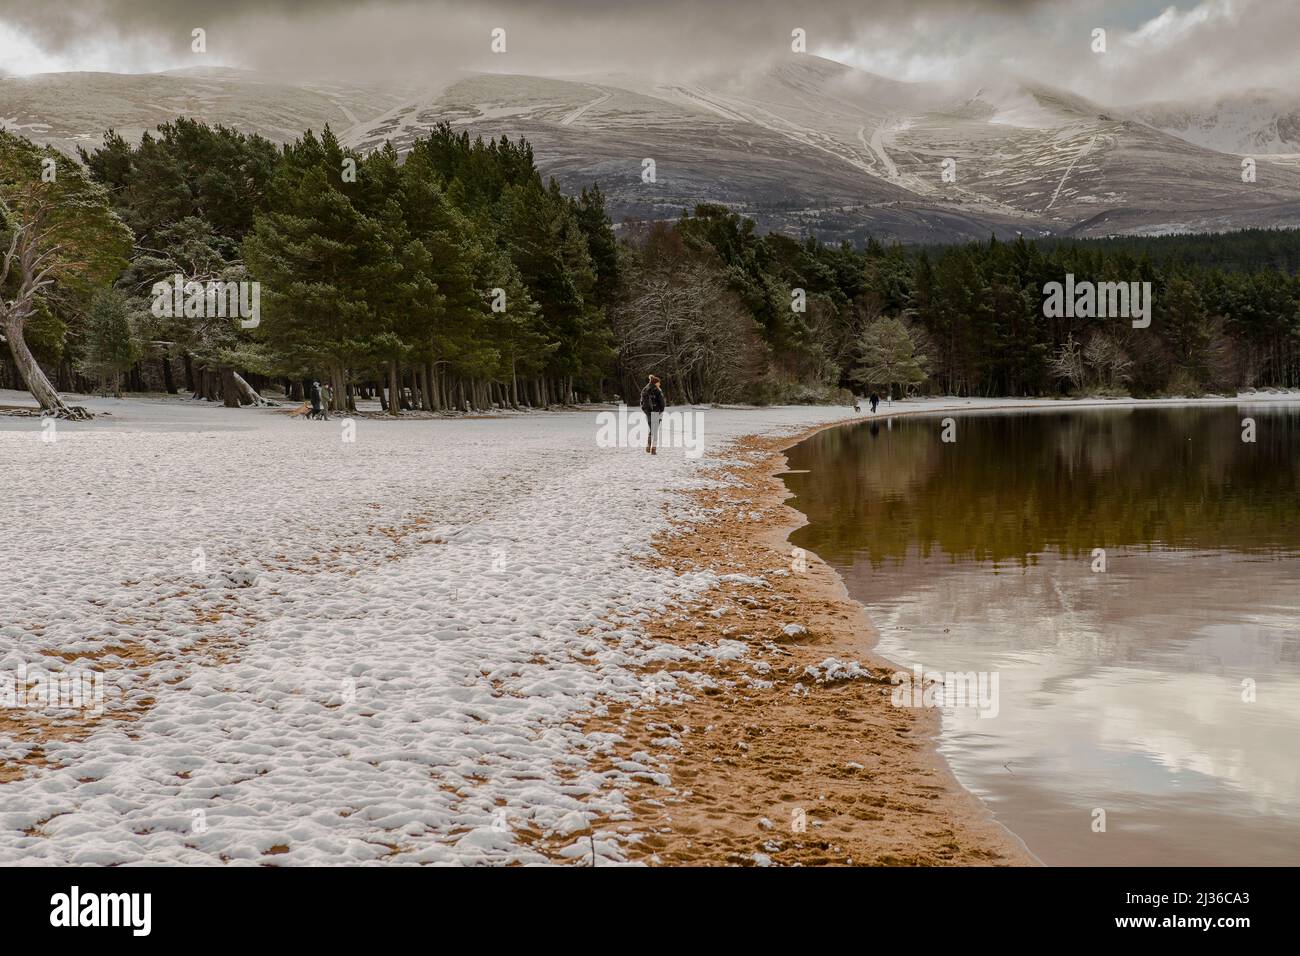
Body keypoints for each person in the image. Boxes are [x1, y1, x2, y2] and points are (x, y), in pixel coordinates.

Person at [639, 374, 666, 454]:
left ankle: (648, 445)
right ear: (655, 382)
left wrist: (645, 410)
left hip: (648, 412)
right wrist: (661, 410)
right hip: (656, 411)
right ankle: (653, 449)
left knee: (651, 428)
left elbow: (641, 401)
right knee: (655, 430)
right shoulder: (657, 390)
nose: (659, 384)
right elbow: (662, 402)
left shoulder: (645, 389)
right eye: (658, 382)